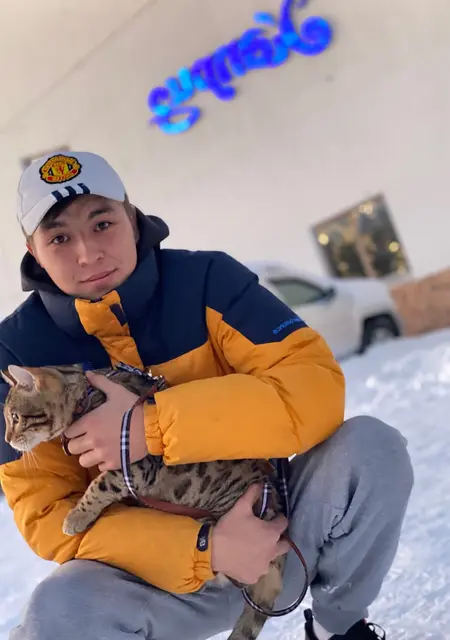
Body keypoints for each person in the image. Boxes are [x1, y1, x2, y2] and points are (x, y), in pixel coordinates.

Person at [0, 151, 413, 640]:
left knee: (372, 448)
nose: (88, 253)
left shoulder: (209, 281)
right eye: (59, 238)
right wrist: (205, 547)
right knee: (58, 609)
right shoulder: (16, 352)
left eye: (102, 223)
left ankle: (334, 630)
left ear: (131, 216)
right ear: (33, 250)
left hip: (275, 536)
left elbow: (314, 387)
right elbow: (48, 516)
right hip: (152, 580)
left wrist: (150, 426)